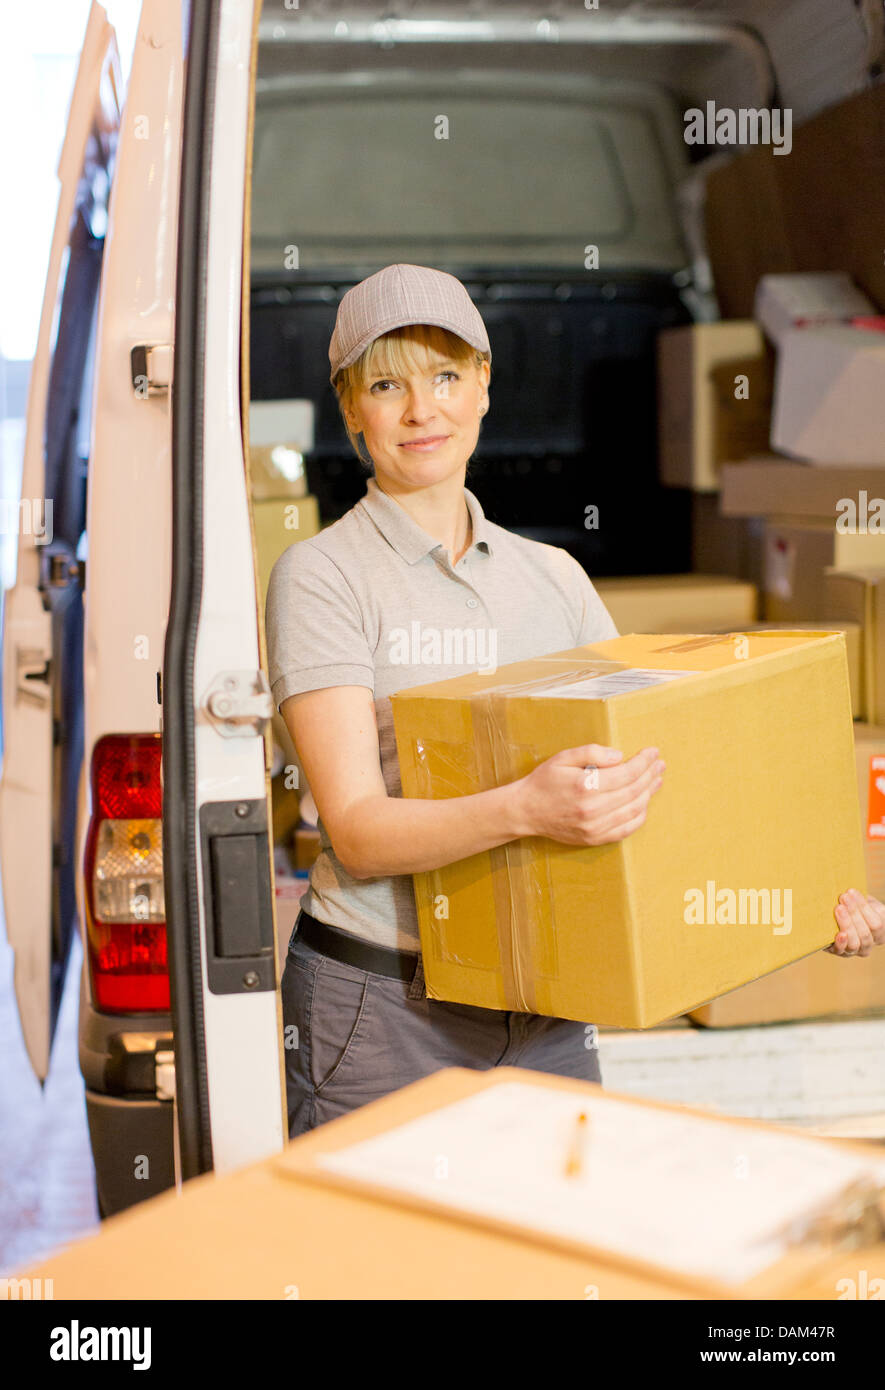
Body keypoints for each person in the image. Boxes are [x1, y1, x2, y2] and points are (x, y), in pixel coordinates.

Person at [266, 263, 885, 1139]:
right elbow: (360, 834)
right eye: (386, 385)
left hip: (547, 1002)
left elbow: (663, 768)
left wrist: (802, 899)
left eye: (445, 376)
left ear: (483, 384)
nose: (421, 411)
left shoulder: (551, 579)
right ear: (351, 408)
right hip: (384, 1006)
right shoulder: (322, 577)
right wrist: (527, 809)